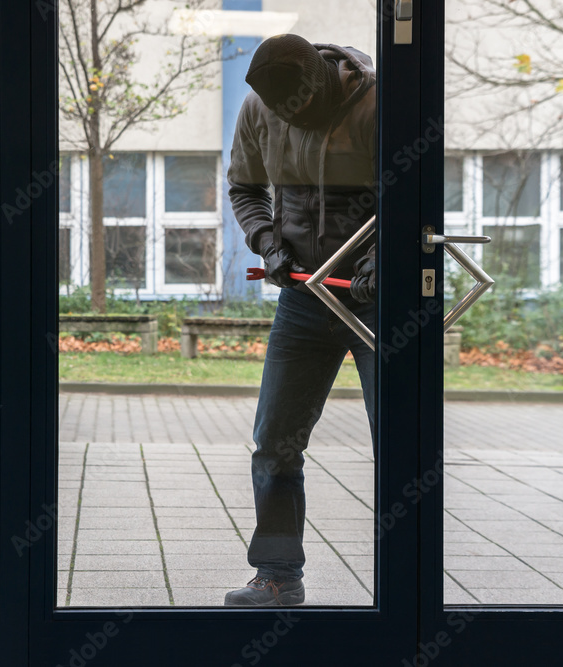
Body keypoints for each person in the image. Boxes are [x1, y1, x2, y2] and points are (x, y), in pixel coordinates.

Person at [223, 34, 377, 606]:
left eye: (302, 112)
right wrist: (268, 242)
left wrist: (379, 256)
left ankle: (405, 586)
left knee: (399, 443)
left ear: (323, 82)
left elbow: (411, 195)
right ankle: (278, 576)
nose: (292, 121)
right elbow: (245, 187)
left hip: (375, 302)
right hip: (304, 297)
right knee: (275, 443)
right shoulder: (260, 107)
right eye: (282, 113)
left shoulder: (376, 105)